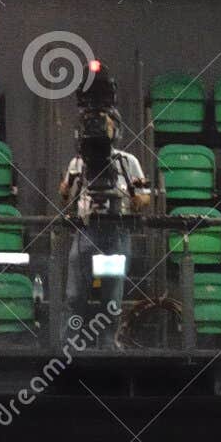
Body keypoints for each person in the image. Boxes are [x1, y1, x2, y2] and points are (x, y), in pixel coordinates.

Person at [59, 103, 149, 327]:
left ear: (115, 130)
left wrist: (133, 198)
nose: (97, 129)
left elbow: (144, 196)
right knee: (75, 294)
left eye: (103, 124)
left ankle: (108, 345)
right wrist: (67, 182)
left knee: (111, 296)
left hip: (115, 233)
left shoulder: (128, 162)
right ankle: (69, 344)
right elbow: (65, 196)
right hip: (86, 232)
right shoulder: (78, 161)